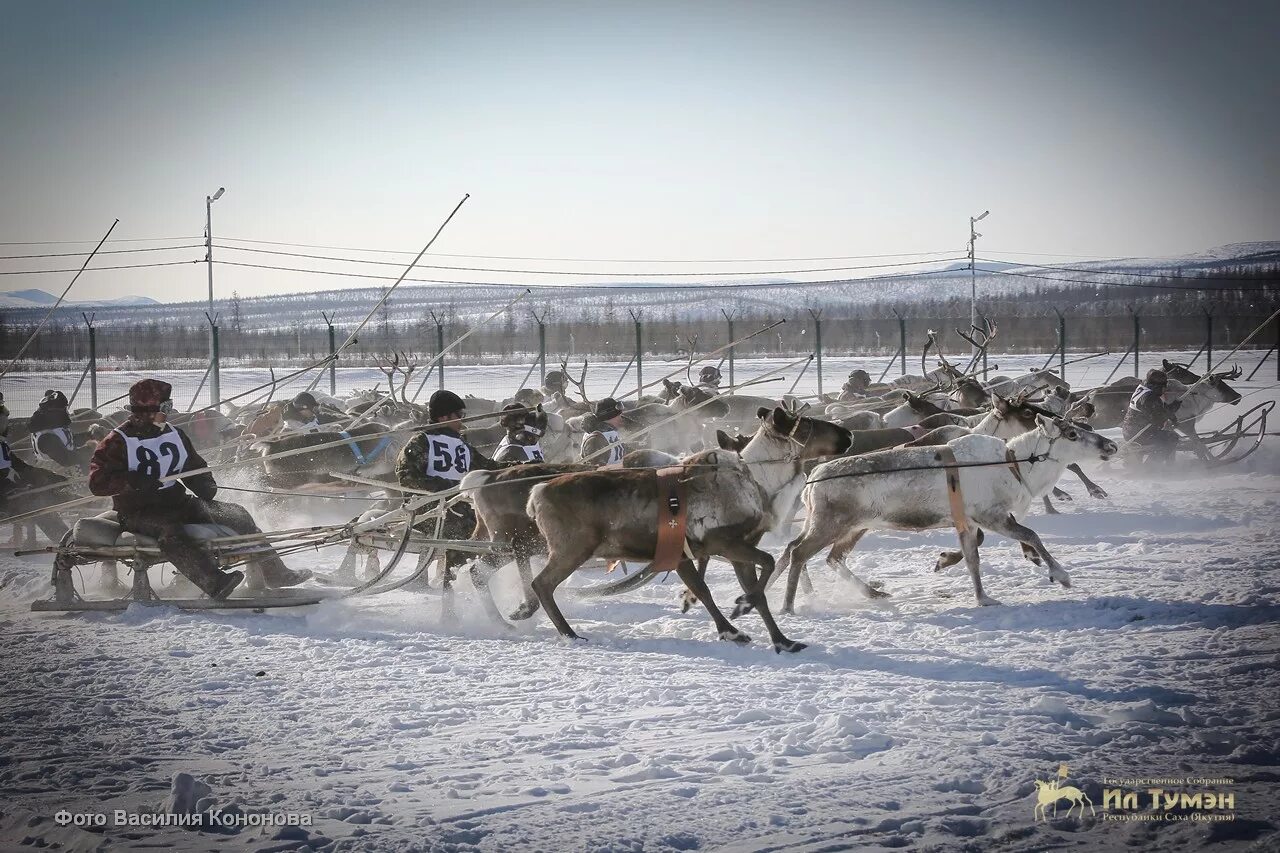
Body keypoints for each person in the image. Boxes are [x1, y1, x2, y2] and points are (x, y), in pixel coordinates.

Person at [89, 379, 310, 599]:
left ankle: (275, 573)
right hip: (138, 512)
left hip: (177, 502)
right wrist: (133, 481)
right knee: (171, 532)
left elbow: (194, 466)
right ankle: (213, 582)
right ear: (146, 410)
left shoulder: (174, 433)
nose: (169, 413)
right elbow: (97, 482)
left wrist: (204, 483)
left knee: (237, 513)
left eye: (170, 406)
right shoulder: (117, 441)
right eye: (164, 408)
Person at [395, 389, 507, 595]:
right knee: (467, 536)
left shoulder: (462, 444)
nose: (462, 422)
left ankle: (485, 582)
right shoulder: (421, 442)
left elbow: (488, 467)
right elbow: (407, 477)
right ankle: (450, 594)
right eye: (459, 416)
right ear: (443, 417)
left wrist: (520, 468)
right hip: (429, 509)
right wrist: (445, 488)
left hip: (459, 507)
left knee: (500, 530)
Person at [0, 400, 71, 544]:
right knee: (37, 503)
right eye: (3, 417)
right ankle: (67, 543)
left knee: (48, 493)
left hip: (13, 494)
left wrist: (50, 477)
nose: (7, 421)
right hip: (5, 499)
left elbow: (22, 468)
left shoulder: (2, 444)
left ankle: (78, 525)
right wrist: (12, 488)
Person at [1121, 368, 1181, 462]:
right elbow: (1158, 419)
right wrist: (1174, 406)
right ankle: (1151, 468)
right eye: (1164, 385)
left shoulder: (1143, 388)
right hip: (1139, 434)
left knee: (1166, 434)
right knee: (1172, 438)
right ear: (1158, 386)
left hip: (1130, 430)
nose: (1165, 389)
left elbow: (1160, 409)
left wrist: (1173, 418)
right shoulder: (1149, 397)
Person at [29, 390, 92, 471]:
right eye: (64, 410)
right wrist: (89, 450)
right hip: (56, 475)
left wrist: (90, 435)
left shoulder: (55, 429)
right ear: (54, 413)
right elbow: (66, 460)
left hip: (67, 468)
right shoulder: (46, 438)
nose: (67, 413)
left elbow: (71, 442)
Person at [580, 398, 625, 465]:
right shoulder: (596, 440)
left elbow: (619, 449)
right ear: (608, 417)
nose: (621, 419)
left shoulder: (608, 433)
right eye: (618, 416)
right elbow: (595, 469)